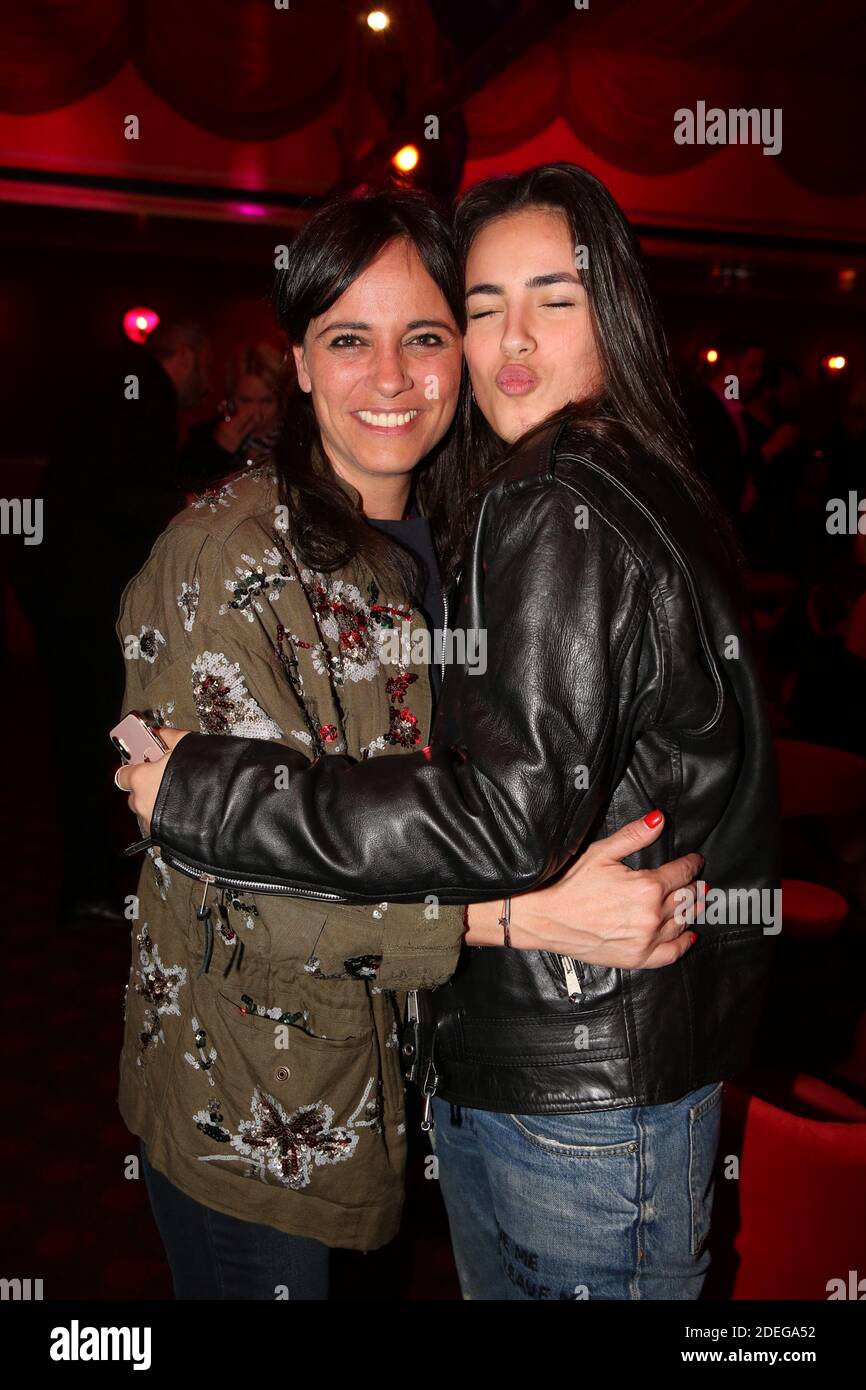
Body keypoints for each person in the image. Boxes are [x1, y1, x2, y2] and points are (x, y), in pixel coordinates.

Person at [120, 165, 778, 1301]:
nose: (391, 376)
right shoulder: (228, 555)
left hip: (402, 1095)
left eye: (426, 332)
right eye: (346, 340)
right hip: (249, 1109)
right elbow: (240, 897)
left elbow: (482, 805)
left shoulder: (456, 530)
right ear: (296, 359)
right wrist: (512, 917)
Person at [14, 319, 210, 921]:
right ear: (186, 354)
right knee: (101, 729)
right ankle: (94, 879)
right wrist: (185, 507)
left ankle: (109, 859)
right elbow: (122, 495)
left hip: (59, 585)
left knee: (95, 729)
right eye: (203, 361)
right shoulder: (143, 389)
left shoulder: (118, 385)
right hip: (82, 595)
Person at [177, 342, 286, 493]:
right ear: (231, 397)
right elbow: (185, 488)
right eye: (245, 400)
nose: (256, 412)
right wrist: (219, 450)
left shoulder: (297, 437)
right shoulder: (204, 436)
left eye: (266, 401)